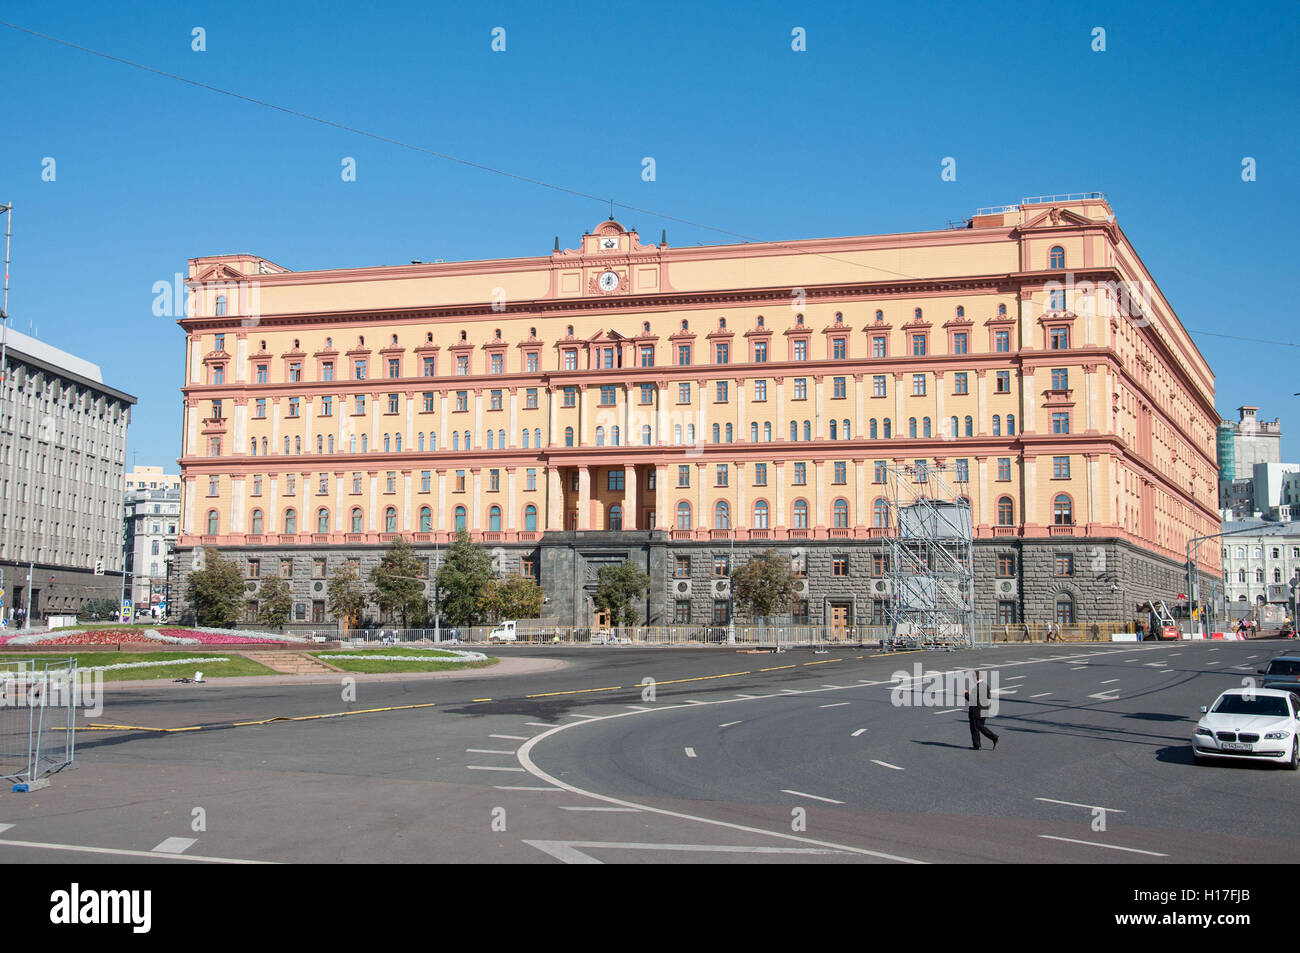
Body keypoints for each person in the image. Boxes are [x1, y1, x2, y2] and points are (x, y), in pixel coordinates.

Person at [965, 671, 999, 751]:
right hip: (984, 708)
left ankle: (993, 737)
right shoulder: (986, 685)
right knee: (980, 726)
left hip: (976, 710)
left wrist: (966, 694)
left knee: (975, 727)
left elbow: (972, 700)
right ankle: (977, 745)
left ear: (975, 678)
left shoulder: (976, 688)